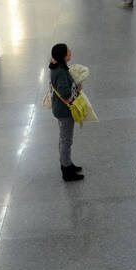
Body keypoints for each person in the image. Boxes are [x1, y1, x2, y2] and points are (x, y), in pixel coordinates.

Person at [49, 44, 85, 182]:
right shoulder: (61, 72)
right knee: (66, 140)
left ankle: (68, 163)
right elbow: (65, 94)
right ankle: (66, 170)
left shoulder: (56, 67)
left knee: (63, 138)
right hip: (65, 111)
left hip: (59, 109)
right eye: (68, 52)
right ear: (63, 56)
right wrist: (77, 88)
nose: (70, 53)